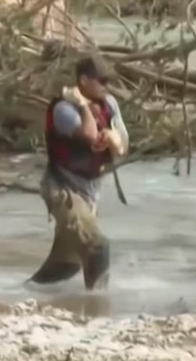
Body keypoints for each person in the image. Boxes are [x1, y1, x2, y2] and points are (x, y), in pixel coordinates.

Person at [30, 54, 128, 290]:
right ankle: (98, 308)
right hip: (63, 191)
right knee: (97, 246)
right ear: (83, 81)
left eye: (108, 81)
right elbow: (89, 135)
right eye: (101, 81)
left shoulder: (110, 104)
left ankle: (25, 293)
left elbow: (123, 145)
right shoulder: (64, 108)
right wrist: (84, 106)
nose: (107, 86)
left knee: (67, 263)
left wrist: (115, 139)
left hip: (90, 192)